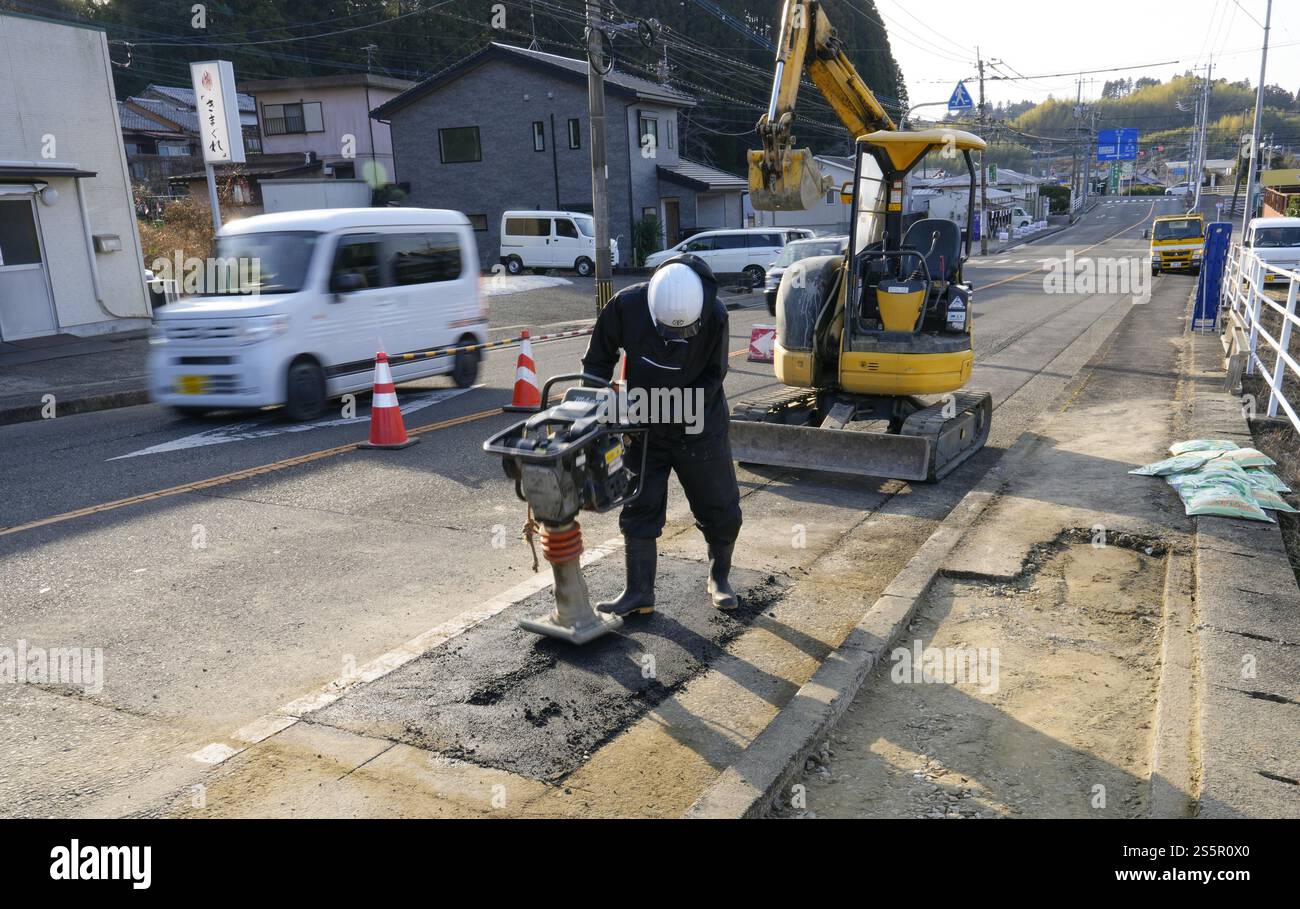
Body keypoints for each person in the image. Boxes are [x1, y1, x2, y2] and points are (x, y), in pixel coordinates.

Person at [581, 254, 742, 616]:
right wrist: (593, 404)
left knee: (721, 508)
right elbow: (597, 360)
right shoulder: (626, 305)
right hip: (643, 428)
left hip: (699, 426)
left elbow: (713, 376)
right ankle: (639, 592)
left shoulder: (714, 314)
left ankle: (720, 577)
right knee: (640, 504)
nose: (673, 341)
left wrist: (677, 411)